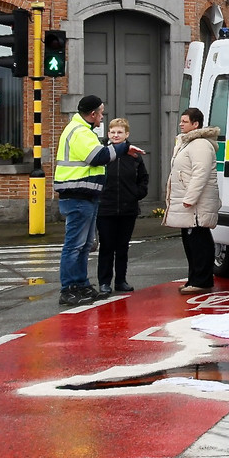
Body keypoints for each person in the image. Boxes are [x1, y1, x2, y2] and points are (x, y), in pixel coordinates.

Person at [54, 95, 140, 306]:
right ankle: (69, 288)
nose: (102, 116)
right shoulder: (80, 132)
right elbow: (97, 157)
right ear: (92, 114)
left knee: (84, 245)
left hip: (85, 196)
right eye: (101, 112)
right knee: (75, 245)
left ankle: (80, 284)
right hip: (77, 196)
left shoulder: (83, 130)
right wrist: (122, 148)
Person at [164, 107, 220, 294]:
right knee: (191, 242)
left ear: (196, 124)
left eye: (185, 121)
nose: (181, 124)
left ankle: (202, 281)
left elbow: (200, 173)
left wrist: (190, 198)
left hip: (195, 204)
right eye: (180, 121)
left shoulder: (200, 145)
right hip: (189, 203)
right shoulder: (187, 143)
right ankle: (194, 279)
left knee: (199, 241)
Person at [95, 117, 149, 295]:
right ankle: (104, 282)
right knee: (106, 247)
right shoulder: (103, 153)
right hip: (105, 208)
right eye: (112, 132)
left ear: (127, 134)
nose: (115, 135)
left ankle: (121, 280)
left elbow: (143, 178)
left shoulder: (133, 156)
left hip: (128, 208)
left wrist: (137, 193)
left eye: (119, 132)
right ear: (108, 133)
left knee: (122, 247)